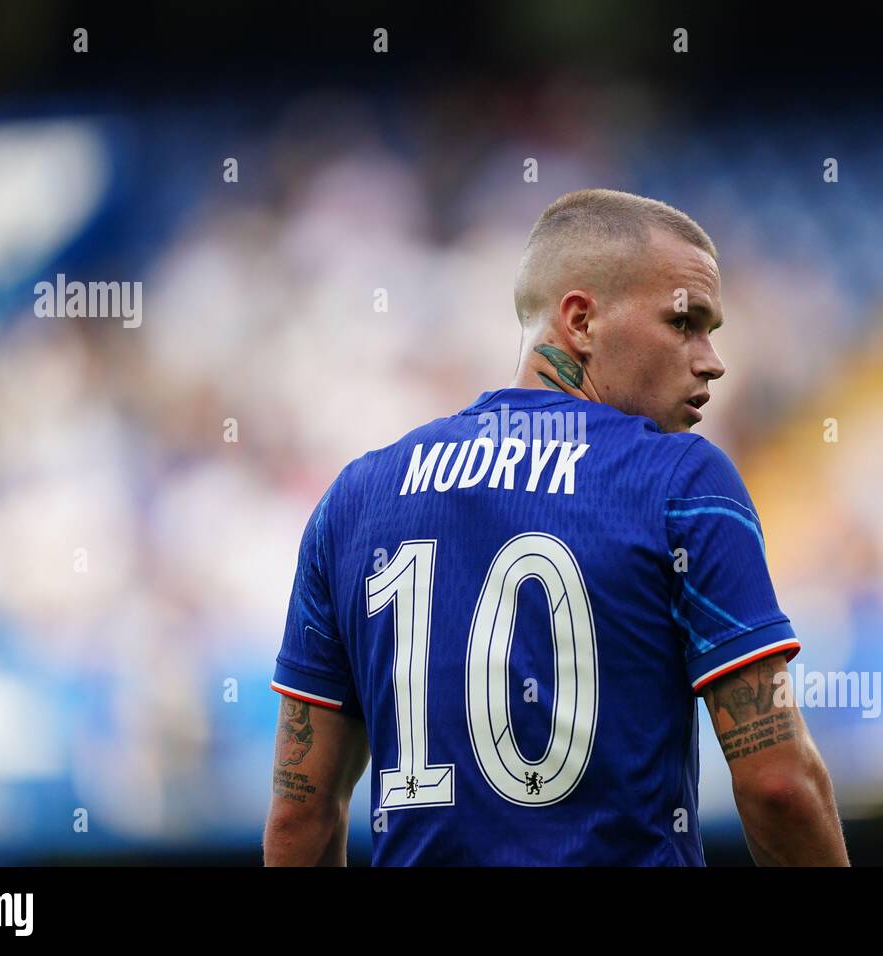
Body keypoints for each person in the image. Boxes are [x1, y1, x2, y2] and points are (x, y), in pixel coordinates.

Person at [263, 188, 849, 866]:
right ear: (580, 321)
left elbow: (299, 815)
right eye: (686, 323)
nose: (713, 359)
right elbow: (779, 784)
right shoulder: (683, 482)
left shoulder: (355, 499)